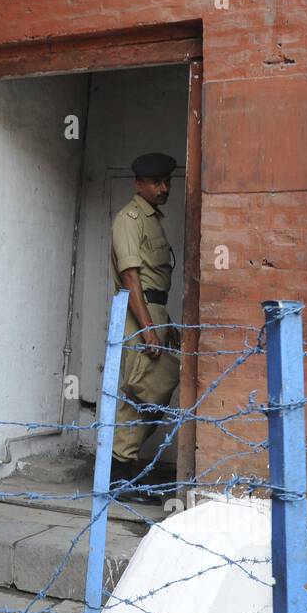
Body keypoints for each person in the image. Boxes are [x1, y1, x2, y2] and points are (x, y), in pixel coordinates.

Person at [109, 152, 182, 495]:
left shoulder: (153, 220)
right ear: (138, 183)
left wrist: (165, 325)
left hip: (155, 314)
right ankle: (118, 474)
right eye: (156, 182)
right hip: (138, 317)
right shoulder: (130, 218)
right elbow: (131, 278)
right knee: (135, 397)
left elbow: (158, 284)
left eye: (167, 181)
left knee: (155, 394)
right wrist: (149, 329)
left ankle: (127, 466)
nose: (163, 188)